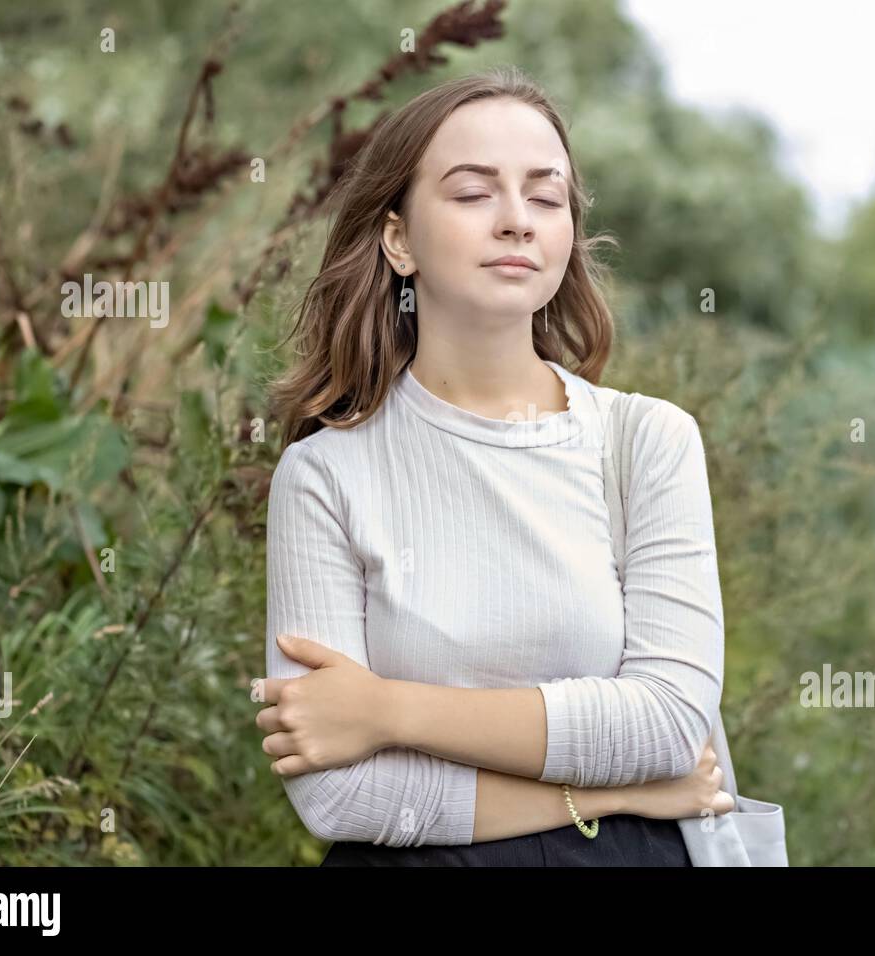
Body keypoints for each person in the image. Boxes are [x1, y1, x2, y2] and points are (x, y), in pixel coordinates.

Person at [256, 65, 733, 866]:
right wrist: (608, 793)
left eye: (545, 198)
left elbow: (671, 723)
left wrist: (387, 712)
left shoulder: (648, 442)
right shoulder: (324, 478)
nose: (517, 220)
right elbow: (336, 794)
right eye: (475, 193)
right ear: (398, 238)